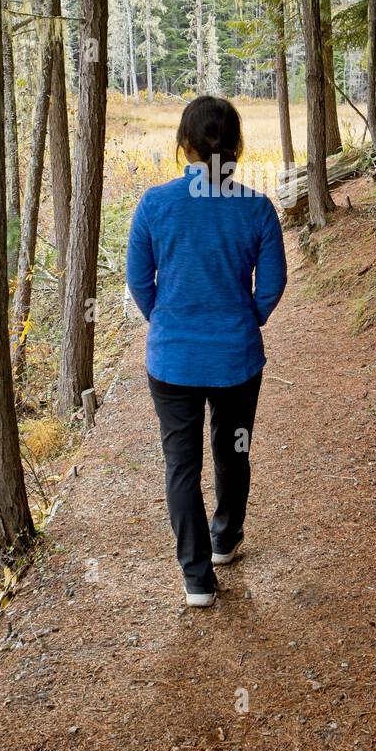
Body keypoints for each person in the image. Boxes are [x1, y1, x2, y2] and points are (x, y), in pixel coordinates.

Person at [126, 95, 287, 607]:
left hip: (172, 362)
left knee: (181, 463)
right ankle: (224, 537)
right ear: (236, 145)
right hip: (236, 360)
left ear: (184, 144)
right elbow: (273, 285)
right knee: (233, 448)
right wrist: (247, 319)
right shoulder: (257, 209)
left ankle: (196, 578)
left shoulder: (154, 204)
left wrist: (167, 321)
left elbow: (138, 281)